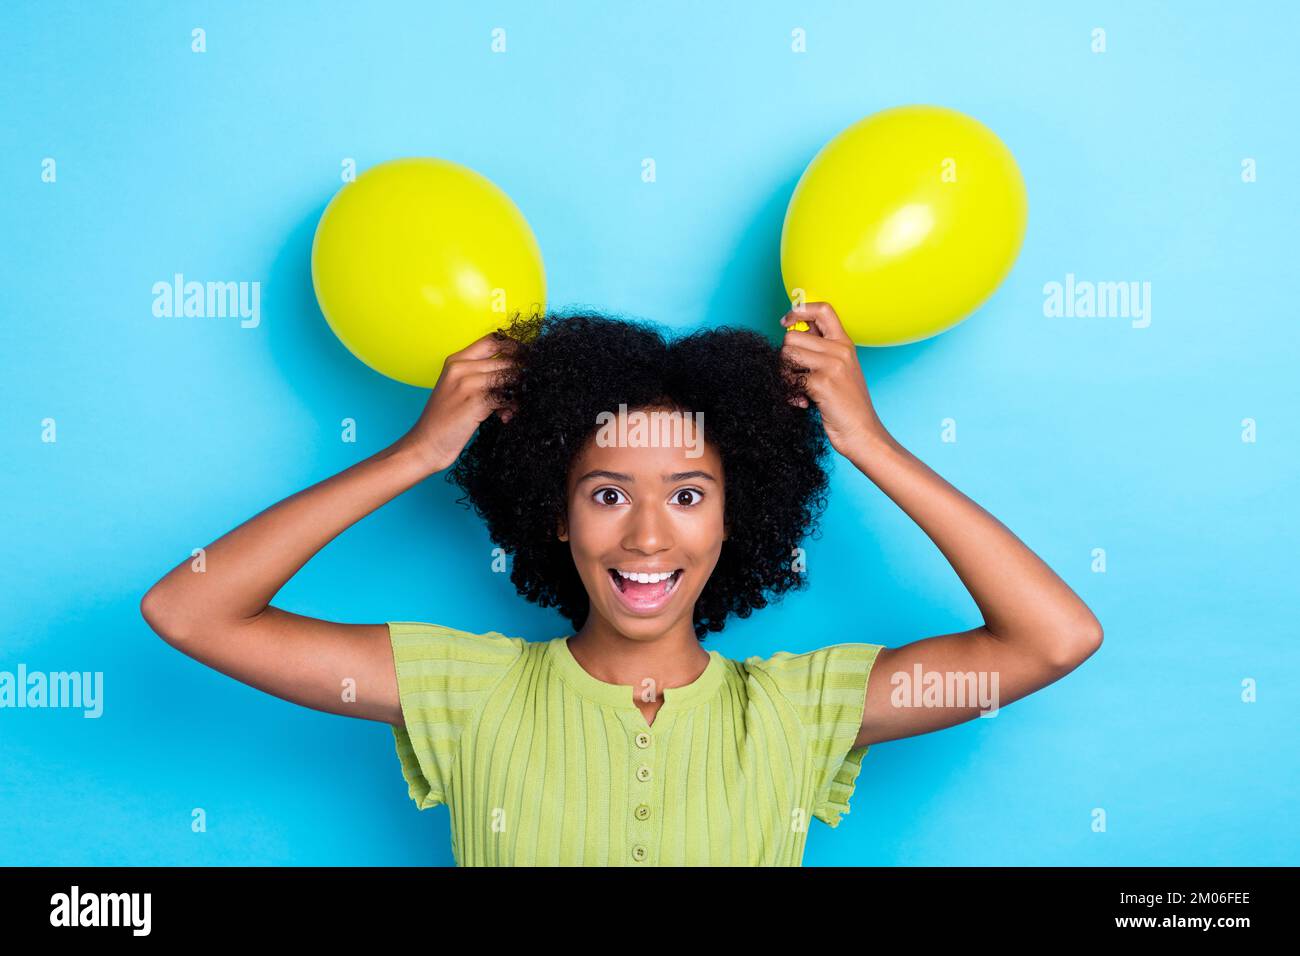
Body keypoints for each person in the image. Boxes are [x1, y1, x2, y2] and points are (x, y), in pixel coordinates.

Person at [140, 301, 1102, 866]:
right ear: (556, 516)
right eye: (607, 493)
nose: (647, 534)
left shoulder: (799, 710)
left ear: (738, 517)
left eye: (689, 493)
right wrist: (418, 453)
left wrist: (866, 441)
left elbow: (1054, 638)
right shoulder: (466, 693)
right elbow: (187, 610)